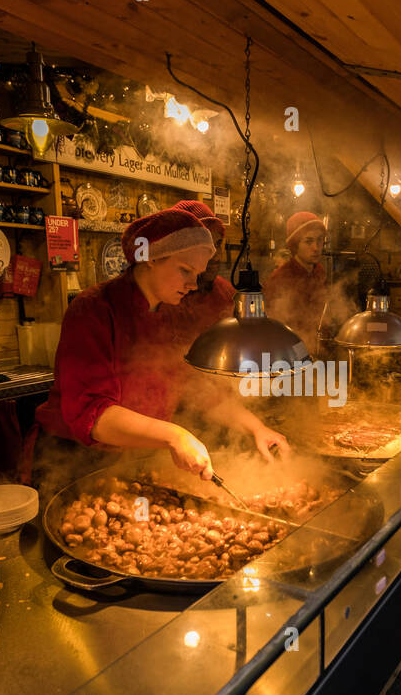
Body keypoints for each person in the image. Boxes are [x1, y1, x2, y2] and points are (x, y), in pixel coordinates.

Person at [30, 209, 286, 497]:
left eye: (197, 274)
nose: (192, 285)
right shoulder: (92, 310)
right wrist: (175, 435)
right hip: (74, 462)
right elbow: (94, 416)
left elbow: (194, 388)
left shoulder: (169, 313)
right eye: (185, 271)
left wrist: (255, 428)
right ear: (150, 258)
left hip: (135, 458)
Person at [164, 199, 237, 344]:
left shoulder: (227, 293)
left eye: (218, 244)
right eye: (205, 246)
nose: (216, 256)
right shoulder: (163, 299)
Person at [265, 211, 328, 349]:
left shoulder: (319, 272)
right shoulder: (280, 279)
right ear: (294, 244)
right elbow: (275, 329)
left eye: (319, 240)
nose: (316, 248)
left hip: (319, 347)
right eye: (308, 241)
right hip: (290, 354)